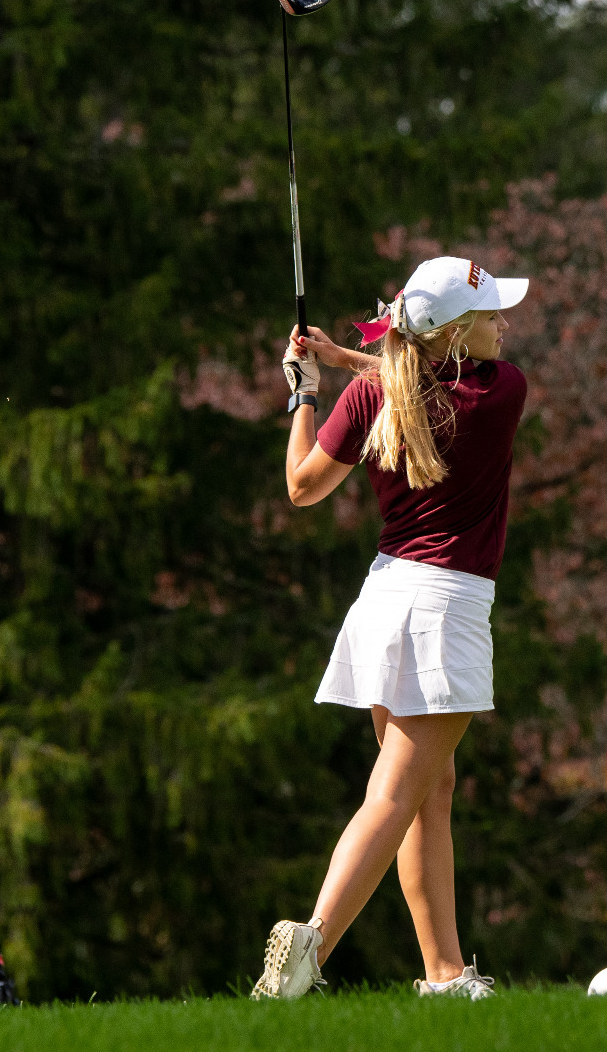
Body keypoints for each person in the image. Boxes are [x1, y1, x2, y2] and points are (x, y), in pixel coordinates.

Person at [251, 256, 529, 1001]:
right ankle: (308, 946)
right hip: (448, 610)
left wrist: (310, 390)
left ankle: (443, 973)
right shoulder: (502, 392)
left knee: (429, 788)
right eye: (490, 315)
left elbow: (302, 485)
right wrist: (351, 361)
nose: (504, 324)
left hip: (382, 601)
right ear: (458, 337)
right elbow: (418, 368)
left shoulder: (373, 391)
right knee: (395, 794)